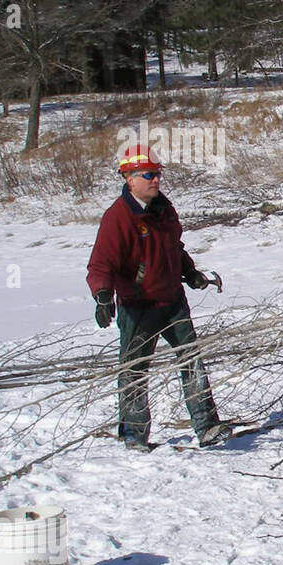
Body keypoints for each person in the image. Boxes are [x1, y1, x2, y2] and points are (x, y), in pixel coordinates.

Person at [87, 144, 231, 450]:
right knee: (135, 371)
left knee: (192, 361)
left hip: (173, 300)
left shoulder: (164, 209)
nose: (156, 180)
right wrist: (102, 295)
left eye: (158, 174)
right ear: (129, 178)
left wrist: (190, 273)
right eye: (148, 175)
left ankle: (207, 428)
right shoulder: (118, 217)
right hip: (139, 306)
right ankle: (134, 436)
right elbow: (102, 262)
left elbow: (173, 248)